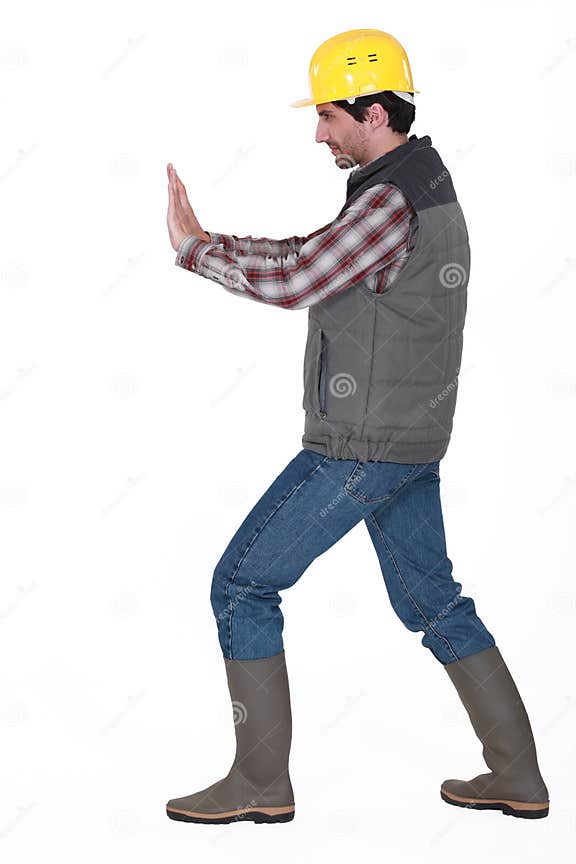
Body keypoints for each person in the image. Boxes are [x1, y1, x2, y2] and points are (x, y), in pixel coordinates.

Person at [164, 29, 549, 823]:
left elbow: (303, 277)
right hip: (410, 441)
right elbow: (319, 253)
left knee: (241, 585)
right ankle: (519, 776)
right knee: (435, 602)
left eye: (330, 116)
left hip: (362, 448)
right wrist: (211, 242)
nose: (319, 132)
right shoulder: (415, 182)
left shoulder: (388, 198)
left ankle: (261, 783)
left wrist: (195, 254)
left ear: (373, 113)